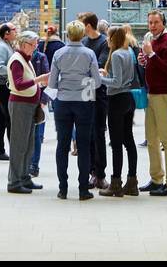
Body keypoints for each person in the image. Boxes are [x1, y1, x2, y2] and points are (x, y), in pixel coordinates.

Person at [49, 19, 101, 200]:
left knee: (62, 144)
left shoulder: (58, 53)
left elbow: (52, 82)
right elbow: (97, 81)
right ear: (82, 34)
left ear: (67, 34)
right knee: (84, 145)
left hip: (63, 102)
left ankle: (62, 188)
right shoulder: (89, 54)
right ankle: (82, 189)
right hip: (84, 101)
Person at [140, 9, 167, 196]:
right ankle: (157, 179)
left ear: (163, 23)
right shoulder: (153, 41)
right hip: (152, 93)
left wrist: (152, 55)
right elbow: (155, 65)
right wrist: (145, 59)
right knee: (152, 139)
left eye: (156, 22)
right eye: (150, 22)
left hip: (164, 94)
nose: (152, 26)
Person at [6, 32, 50, 193]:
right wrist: (39, 79)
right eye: (33, 44)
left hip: (29, 105)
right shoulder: (17, 60)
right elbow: (19, 85)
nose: (36, 47)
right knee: (19, 145)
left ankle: (25, 177)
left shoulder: (26, 59)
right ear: (24, 44)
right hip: (20, 105)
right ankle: (14, 182)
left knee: (29, 143)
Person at [99, 25, 140, 196]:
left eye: (108, 37)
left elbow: (116, 82)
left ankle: (116, 182)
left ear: (113, 38)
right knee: (128, 140)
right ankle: (132, 181)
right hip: (128, 98)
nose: (106, 40)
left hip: (117, 99)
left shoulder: (116, 55)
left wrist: (100, 79)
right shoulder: (128, 51)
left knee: (116, 143)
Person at [80, 12, 111, 190]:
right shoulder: (83, 42)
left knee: (98, 133)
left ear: (88, 26)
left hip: (99, 94)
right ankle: (91, 171)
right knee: (87, 134)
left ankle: (100, 173)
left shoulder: (104, 42)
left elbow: (99, 67)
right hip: (85, 93)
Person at [29, 32, 52, 178]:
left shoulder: (41, 57)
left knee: (37, 135)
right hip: (24, 101)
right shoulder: (20, 58)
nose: (36, 45)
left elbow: (48, 79)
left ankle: (34, 165)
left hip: (38, 100)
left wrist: (44, 99)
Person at [0, 23, 15, 161]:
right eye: (13, 30)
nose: (15, 32)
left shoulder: (7, 46)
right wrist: (16, 72)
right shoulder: (1, 47)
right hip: (3, 87)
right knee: (9, 118)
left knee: (2, 119)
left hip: (6, 86)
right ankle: (14, 151)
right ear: (6, 33)